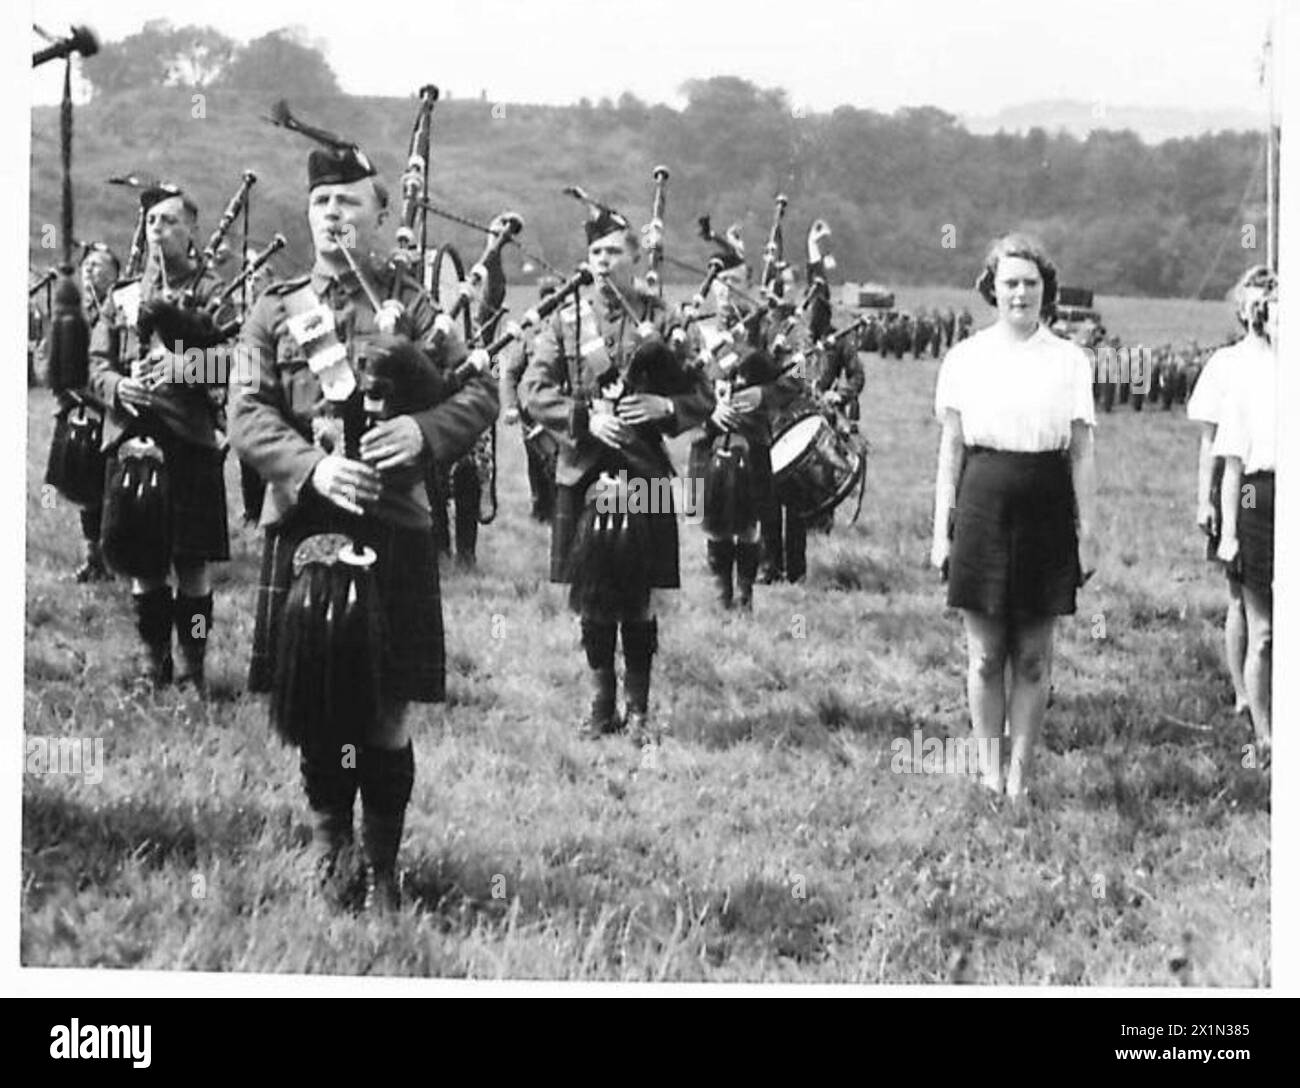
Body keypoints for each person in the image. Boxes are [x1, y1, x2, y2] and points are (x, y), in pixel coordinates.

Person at [230, 136, 497, 910]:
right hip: (305, 525)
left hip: (394, 522)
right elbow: (245, 411)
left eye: (350, 201)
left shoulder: (417, 308)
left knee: (385, 708)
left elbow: (481, 392)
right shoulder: (275, 309)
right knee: (315, 701)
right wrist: (311, 466)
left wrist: (424, 434)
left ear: (380, 215)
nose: (333, 214)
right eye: (321, 203)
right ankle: (329, 852)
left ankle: (382, 867)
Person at [519, 201, 711, 743]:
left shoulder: (664, 319)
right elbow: (535, 390)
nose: (604, 261)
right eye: (595, 252)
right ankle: (601, 702)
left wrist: (665, 411)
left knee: (640, 594)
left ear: (634, 255)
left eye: (614, 251)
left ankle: (641, 707)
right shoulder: (566, 319)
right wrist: (585, 418)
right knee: (592, 593)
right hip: (583, 473)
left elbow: (702, 393)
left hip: (644, 474)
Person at [930, 234, 1097, 801]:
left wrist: (1089, 535)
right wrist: (940, 530)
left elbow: (1081, 453)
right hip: (982, 505)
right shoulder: (965, 357)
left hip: (1047, 508)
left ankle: (1021, 774)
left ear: (1046, 289)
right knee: (984, 656)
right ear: (991, 290)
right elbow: (950, 451)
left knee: (1031, 656)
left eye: (1031, 282)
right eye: (1010, 283)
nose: (1021, 292)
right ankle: (989, 769)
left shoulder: (1070, 361)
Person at [87, 186, 230, 691]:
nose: (158, 228)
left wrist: (182, 366)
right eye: (152, 220)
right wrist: (117, 387)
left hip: (188, 440)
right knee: (142, 561)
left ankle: (192, 664)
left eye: (170, 220)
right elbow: (96, 365)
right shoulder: (122, 294)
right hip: (130, 439)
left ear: (191, 230)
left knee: (191, 563)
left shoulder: (215, 294)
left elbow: (241, 365)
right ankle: (154, 660)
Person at [687, 228, 800, 612]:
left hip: (752, 443)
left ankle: (747, 595)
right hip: (709, 438)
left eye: (734, 282)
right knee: (715, 522)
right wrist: (708, 409)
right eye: (720, 282)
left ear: (749, 284)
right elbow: (680, 383)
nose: (725, 291)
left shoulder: (769, 331)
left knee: (749, 522)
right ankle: (722, 597)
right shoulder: (695, 330)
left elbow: (798, 378)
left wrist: (762, 396)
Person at [1189, 265, 1277, 730]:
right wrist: (1205, 499)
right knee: (1241, 595)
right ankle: (1244, 692)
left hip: (1267, 468)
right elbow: (1209, 440)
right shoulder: (1226, 363)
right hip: (1237, 480)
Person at [501, 275, 561, 522]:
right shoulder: (528, 334)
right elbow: (510, 374)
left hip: (561, 407)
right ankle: (541, 508)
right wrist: (511, 406)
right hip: (532, 412)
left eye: (555, 297)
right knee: (537, 462)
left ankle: (563, 509)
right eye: (547, 297)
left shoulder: (571, 326)